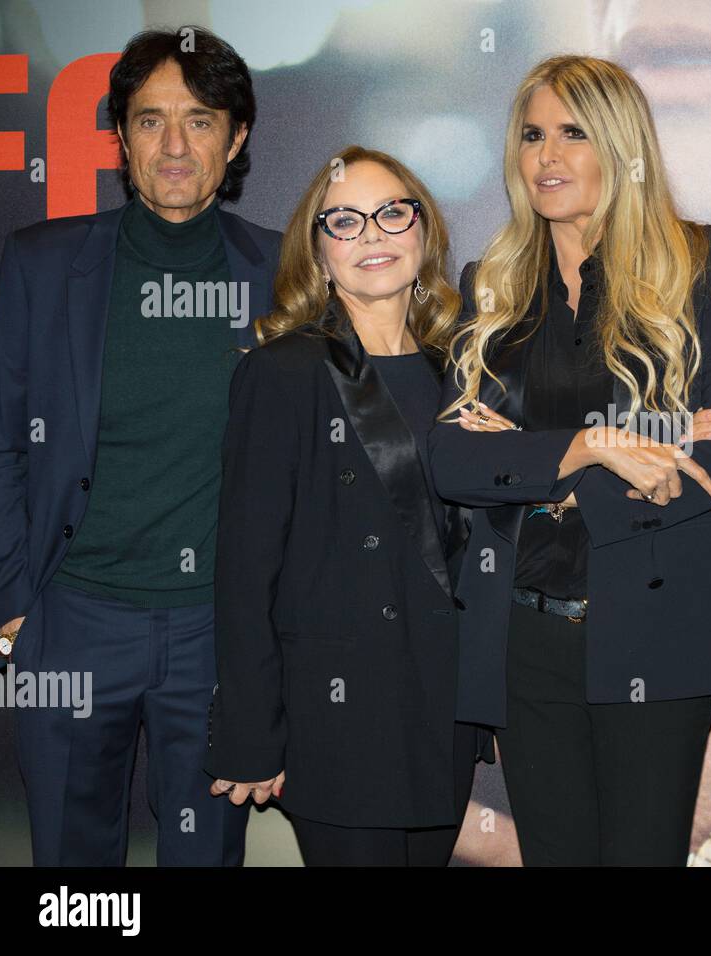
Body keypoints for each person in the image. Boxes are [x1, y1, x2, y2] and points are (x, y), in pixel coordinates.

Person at [428, 54, 711, 866]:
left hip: (656, 628)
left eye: (573, 134)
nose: (546, 157)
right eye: (532, 136)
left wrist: (546, 480)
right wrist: (592, 450)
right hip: (524, 639)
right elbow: (449, 459)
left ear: (621, 148)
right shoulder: (494, 288)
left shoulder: (702, 262)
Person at [0, 27, 277, 866]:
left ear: (238, 135)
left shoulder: (284, 274)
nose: (176, 145)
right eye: (150, 121)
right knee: (75, 878)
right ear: (120, 138)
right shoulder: (41, 266)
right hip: (72, 622)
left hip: (217, 635)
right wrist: (14, 612)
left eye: (200, 119)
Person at [204, 147, 480, 866]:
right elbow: (244, 570)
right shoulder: (284, 372)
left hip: (443, 703)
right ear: (317, 252)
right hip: (340, 714)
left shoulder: (465, 371)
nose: (373, 235)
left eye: (392, 213)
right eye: (345, 221)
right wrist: (250, 733)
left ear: (424, 234)